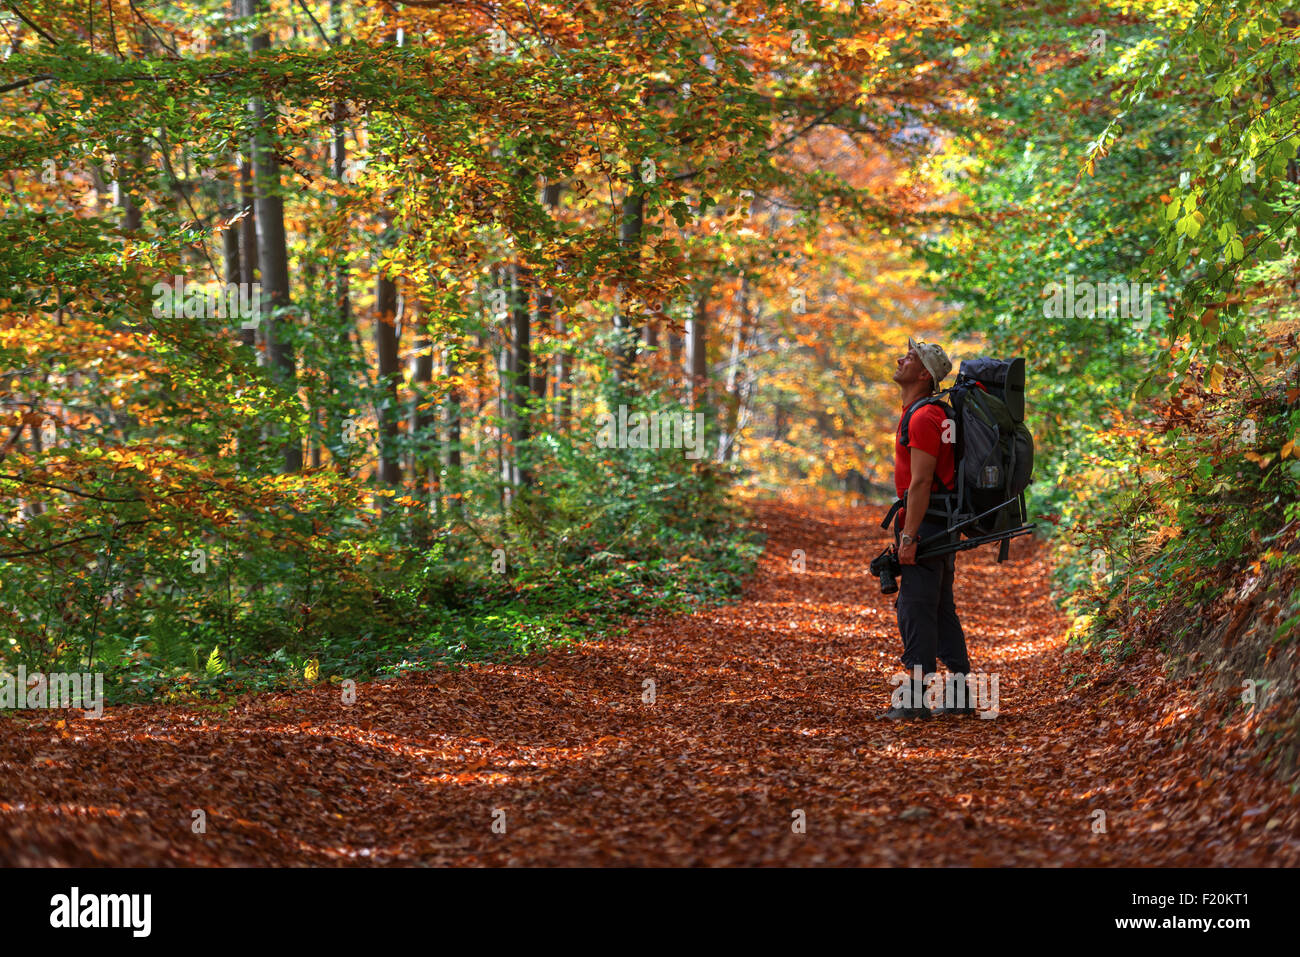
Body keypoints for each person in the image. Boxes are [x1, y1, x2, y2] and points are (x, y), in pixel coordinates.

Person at [881, 337, 975, 720]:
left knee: (915, 608)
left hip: (927, 524)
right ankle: (959, 695)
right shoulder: (930, 413)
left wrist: (908, 538)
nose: (901, 359)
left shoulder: (924, 417)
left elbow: (920, 483)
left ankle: (916, 700)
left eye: (910, 357)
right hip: (939, 522)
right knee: (938, 608)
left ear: (924, 374)